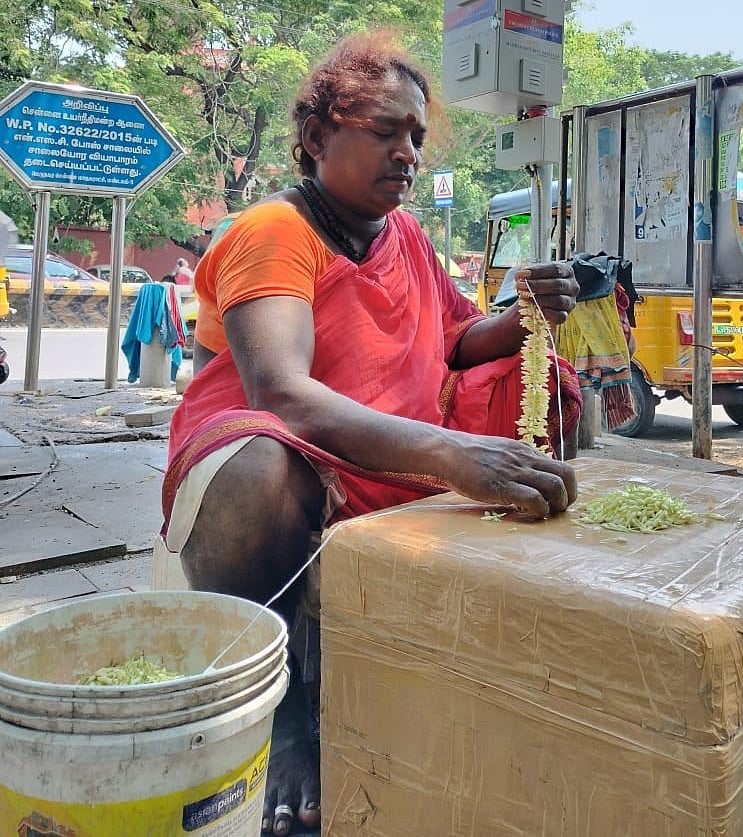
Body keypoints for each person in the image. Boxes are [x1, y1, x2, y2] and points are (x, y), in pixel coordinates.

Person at [159, 30, 581, 836]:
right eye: (386, 131)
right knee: (260, 460)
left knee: (549, 385)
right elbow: (282, 394)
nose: (408, 154)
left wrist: (525, 310)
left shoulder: (409, 239)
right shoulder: (272, 231)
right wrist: (455, 455)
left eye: (417, 137)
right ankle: (284, 719)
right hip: (289, 468)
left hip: (385, 454)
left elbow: (453, 342)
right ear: (319, 137)